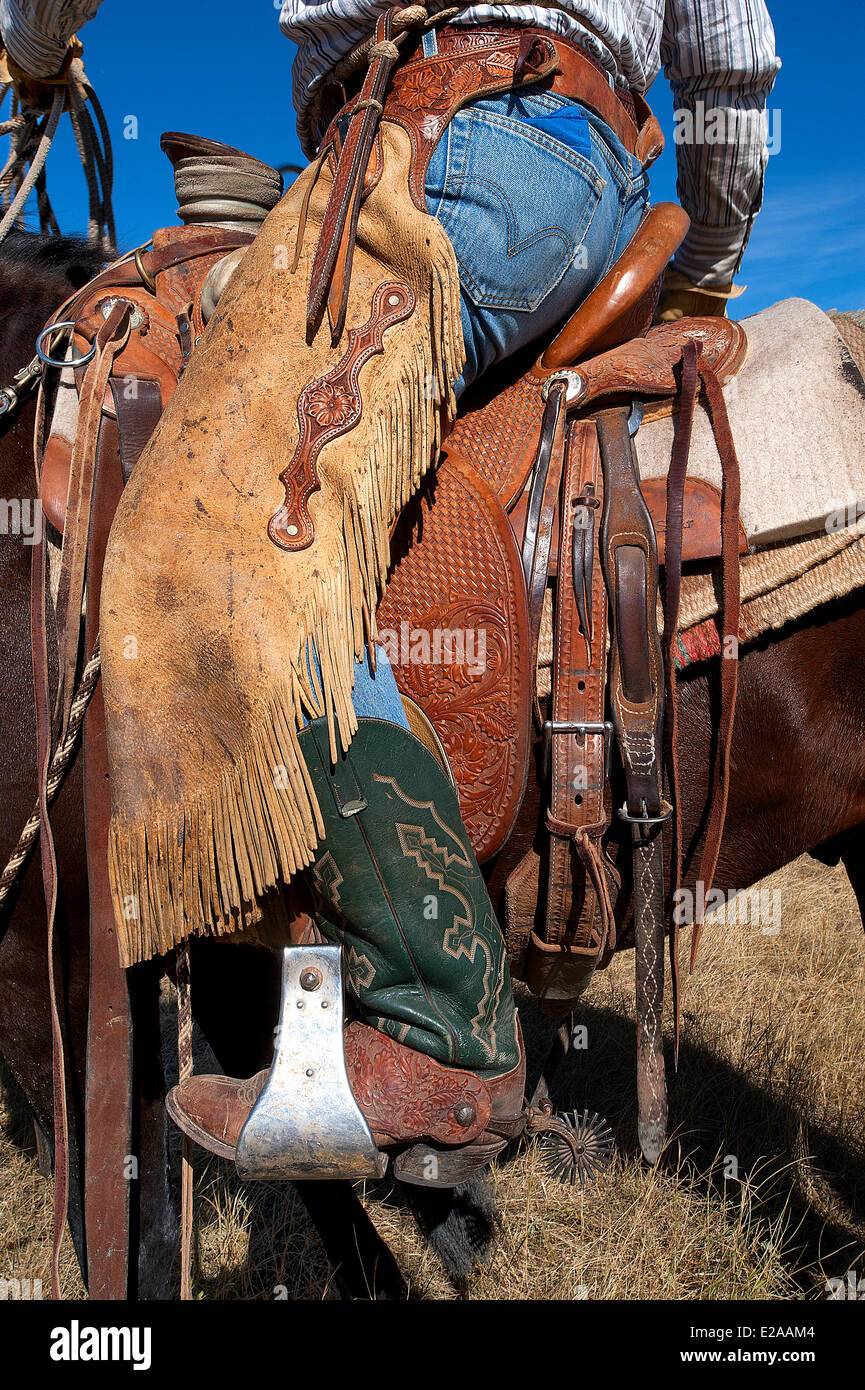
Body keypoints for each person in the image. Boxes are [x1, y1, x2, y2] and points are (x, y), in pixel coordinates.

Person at [2, 1, 779, 1179]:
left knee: (235, 509)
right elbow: (729, 56)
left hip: (461, 149)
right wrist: (705, 259)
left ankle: (438, 1019)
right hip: (546, 155)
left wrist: (32, 38)